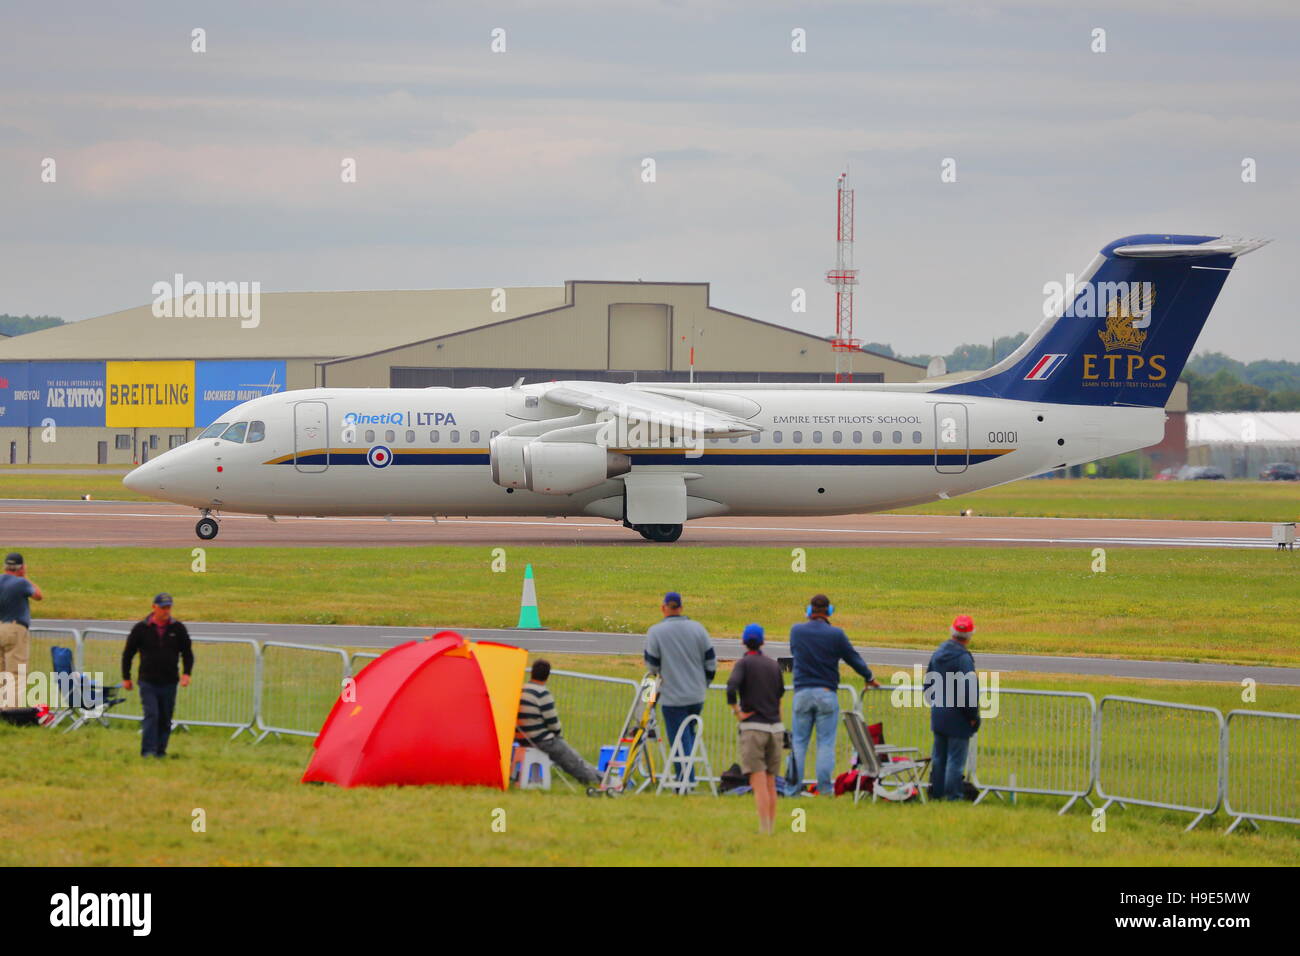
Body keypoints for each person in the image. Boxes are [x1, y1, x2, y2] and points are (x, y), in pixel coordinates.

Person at [788, 594, 879, 795]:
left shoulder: (796, 631)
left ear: (809, 611)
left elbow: (796, 652)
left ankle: (792, 788)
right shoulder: (836, 634)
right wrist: (869, 676)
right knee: (825, 744)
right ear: (829, 612)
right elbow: (853, 658)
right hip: (826, 693)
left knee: (799, 744)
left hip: (802, 692)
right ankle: (824, 789)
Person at [644, 591, 716, 782]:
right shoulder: (698, 629)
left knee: (678, 740)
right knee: (689, 735)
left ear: (663, 608)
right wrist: (703, 684)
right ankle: (687, 777)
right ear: (681, 608)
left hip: (672, 697)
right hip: (696, 695)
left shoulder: (656, 632)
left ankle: (685, 781)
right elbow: (711, 663)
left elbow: (652, 665)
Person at [726, 624, 784, 834]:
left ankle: (764, 828)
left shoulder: (744, 664)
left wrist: (738, 712)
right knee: (771, 782)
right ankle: (772, 825)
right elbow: (779, 697)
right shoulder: (773, 665)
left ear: (743, 642)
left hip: (754, 728)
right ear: (763, 642)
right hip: (774, 728)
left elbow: (731, 688)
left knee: (758, 781)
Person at [121, 593, 193, 758]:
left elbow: (187, 653)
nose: (166, 611)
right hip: (148, 681)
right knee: (152, 714)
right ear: (154, 607)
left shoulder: (178, 628)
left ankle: (160, 751)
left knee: (165, 717)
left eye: (169, 607)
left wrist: (186, 674)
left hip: (169, 681)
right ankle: (148, 751)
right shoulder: (141, 628)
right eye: (163, 607)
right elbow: (128, 654)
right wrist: (126, 677)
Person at [516, 659, 602, 785]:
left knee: (573, 756)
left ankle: (600, 777)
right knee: (573, 759)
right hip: (540, 740)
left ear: (532, 673)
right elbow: (553, 723)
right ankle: (594, 781)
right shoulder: (542, 693)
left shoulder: (522, 689)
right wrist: (557, 734)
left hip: (521, 738)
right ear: (547, 676)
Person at [924, 614, 981, 800]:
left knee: (939, 759)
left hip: (939, 713)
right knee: (955, 762)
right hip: (958, 716)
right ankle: (953, 796)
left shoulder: (938, 653)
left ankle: (936, 795)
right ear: (970, 634)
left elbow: (928, 685)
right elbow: (969, 690)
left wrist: (936, 704)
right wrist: (973, 715)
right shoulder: (963, 658)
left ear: (952, 630)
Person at [0, 553, 43, 709]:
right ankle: (12, 712)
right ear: (21, 567)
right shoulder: (20, 583)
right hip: (15, 628)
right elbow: (38, 595)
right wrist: (25, 577)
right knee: (16, 673)